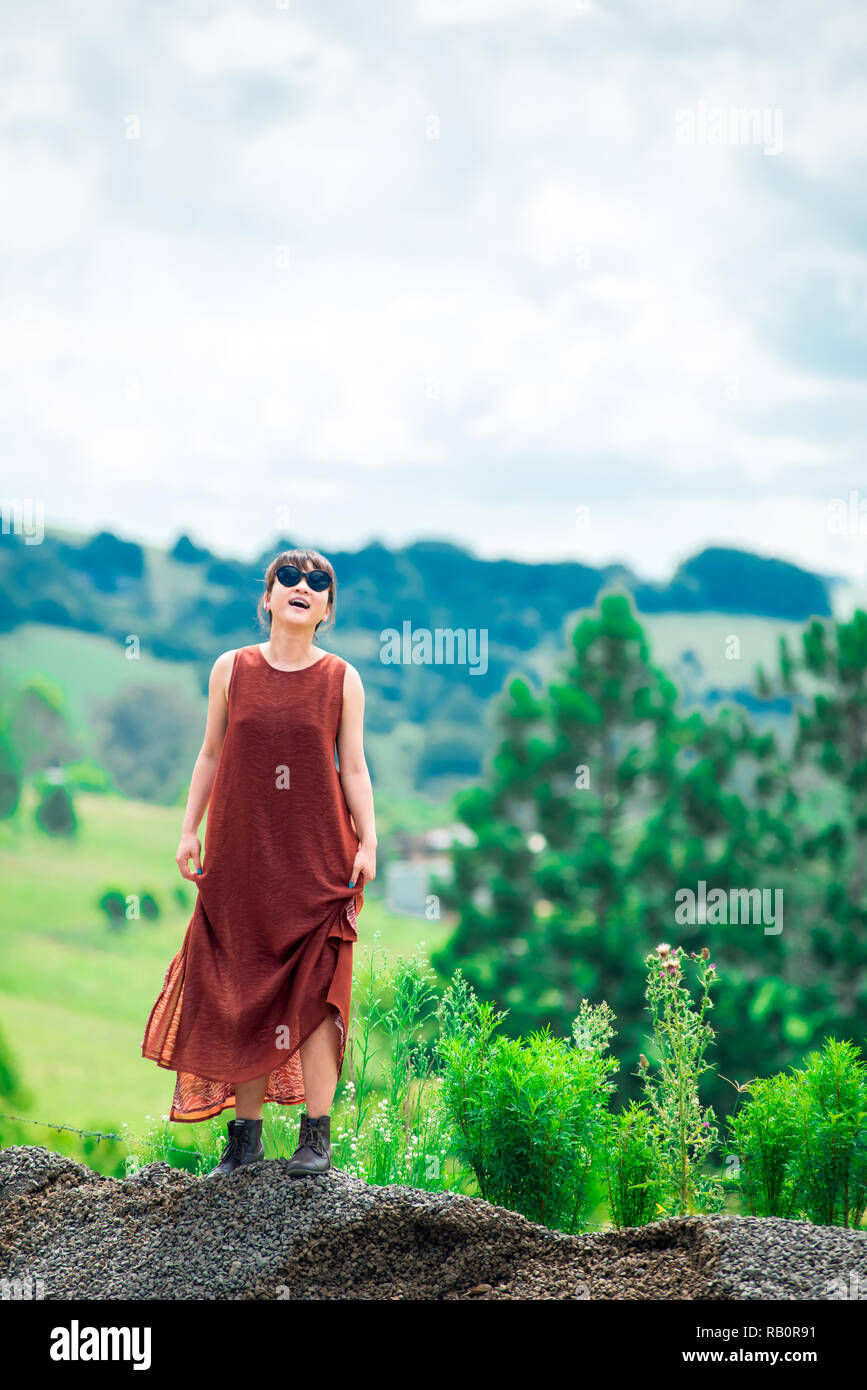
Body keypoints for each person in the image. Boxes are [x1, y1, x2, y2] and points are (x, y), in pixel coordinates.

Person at [141, 549, 377, 1178]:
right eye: (289, 578)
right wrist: (189, 830)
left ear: (326, 608)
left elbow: (352, 767)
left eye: (318, 582)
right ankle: (244, 1141)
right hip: (240, 863)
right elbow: (211, 754)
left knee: (319, 994)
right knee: (239, 991)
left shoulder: (343, 679)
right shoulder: (231, 670)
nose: (303, 586)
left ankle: (315, 1139)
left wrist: (369, 841)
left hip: (317, 863)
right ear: (268, 597)